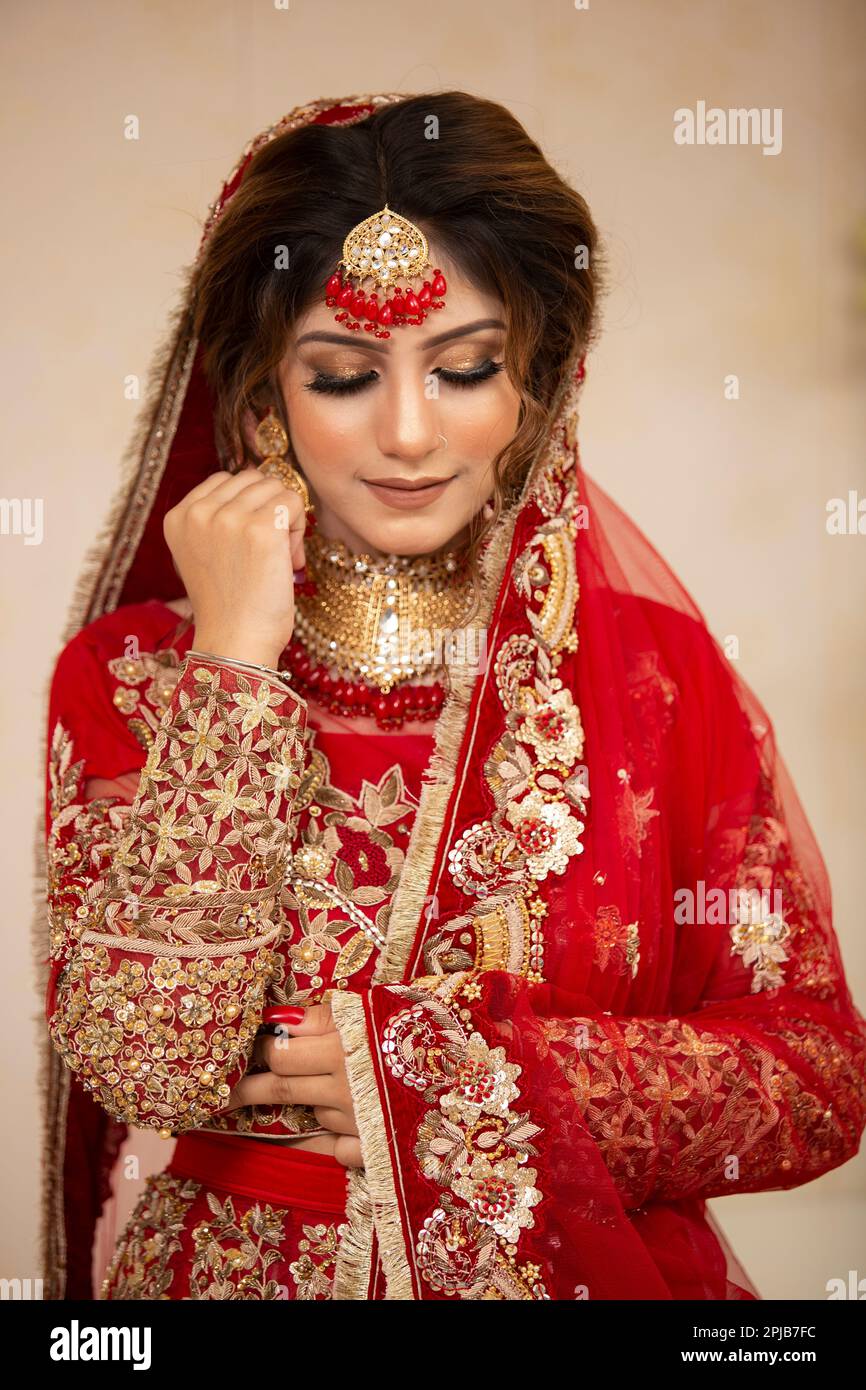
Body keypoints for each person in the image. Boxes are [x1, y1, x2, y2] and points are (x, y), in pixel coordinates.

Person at [36, 90, 866, 1302]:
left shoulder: (653, 677)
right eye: (341, 377)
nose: (411, 431)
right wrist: (234, 661)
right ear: (262, 401)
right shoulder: (135, 675)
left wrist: (444, 1076)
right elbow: (152, 1061)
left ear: (538, 383)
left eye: (465, 367)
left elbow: (814, 1079)